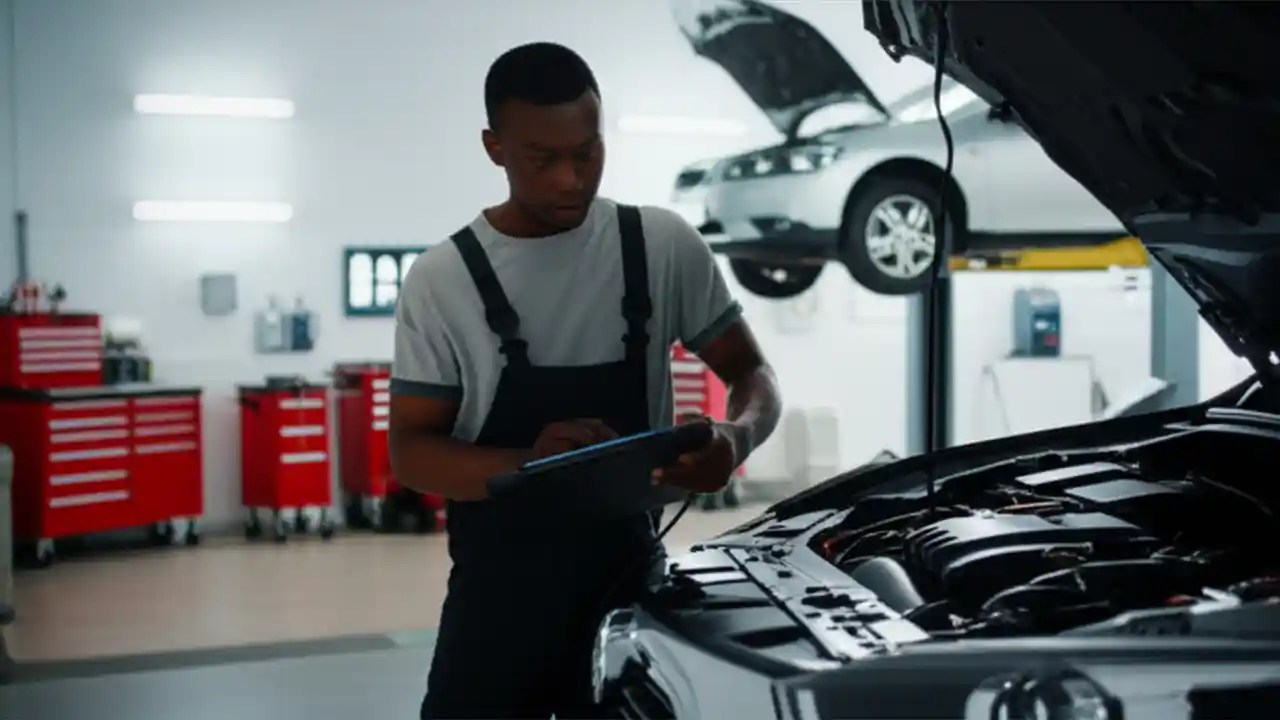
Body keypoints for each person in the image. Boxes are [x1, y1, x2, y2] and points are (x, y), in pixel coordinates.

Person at [389, 42, 782, 719]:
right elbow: (412, 450)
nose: (571, 179)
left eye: (588, 152)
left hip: (630, 583)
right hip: (497, 601)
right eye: (543, 160)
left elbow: (752, 374)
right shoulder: (444, 279)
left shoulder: (660, 247)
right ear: (494, 148)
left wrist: (736, 438)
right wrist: (526, 464)